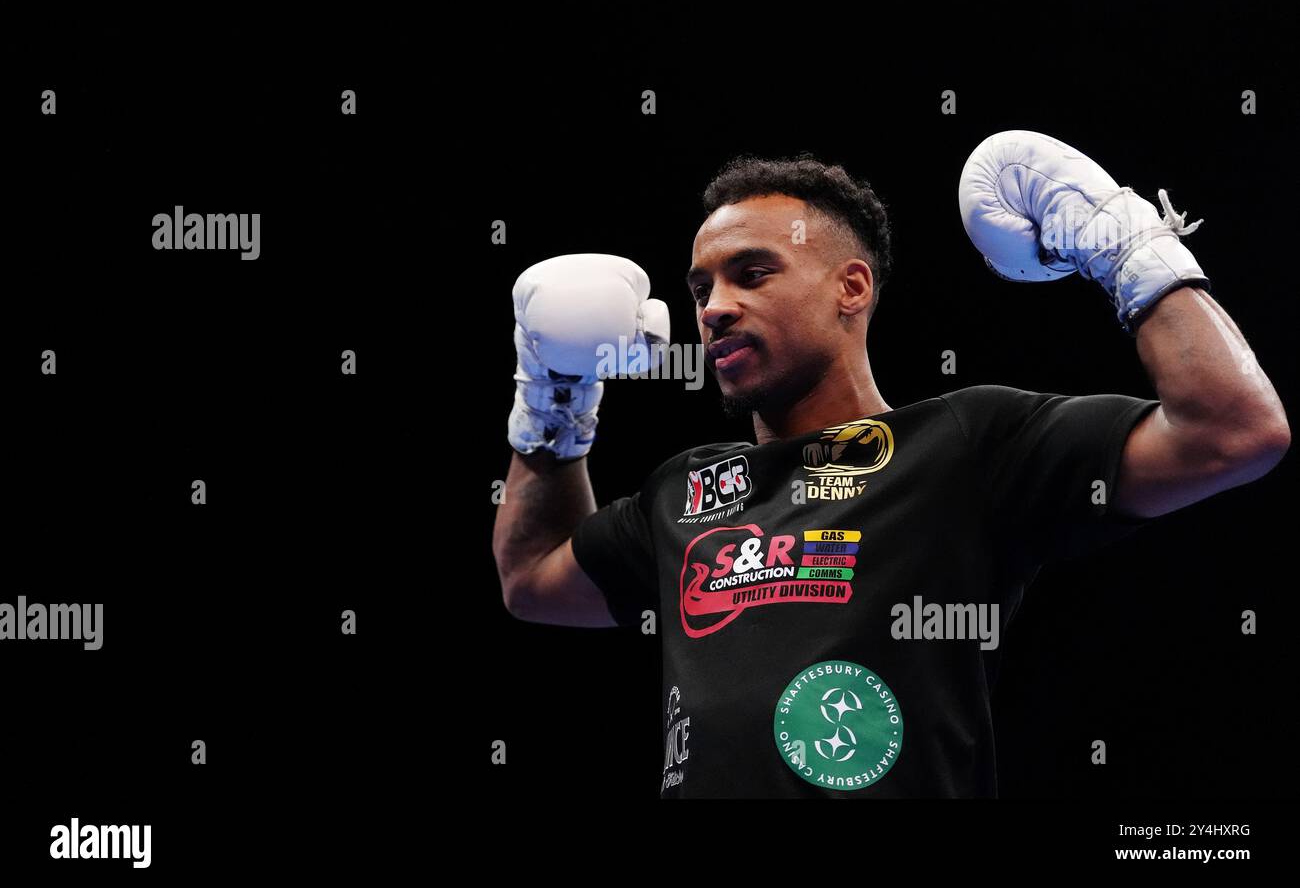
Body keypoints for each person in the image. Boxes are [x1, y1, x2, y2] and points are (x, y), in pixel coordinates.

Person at [492, 132, 1290, 797]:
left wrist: (1126, 244)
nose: (714, 307)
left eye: (752, 273)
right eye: (700, 288)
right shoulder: (686, 490)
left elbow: (1232, 430)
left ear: (852, 286)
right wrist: (551, 399)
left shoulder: (966, 442)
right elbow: (530, 581)